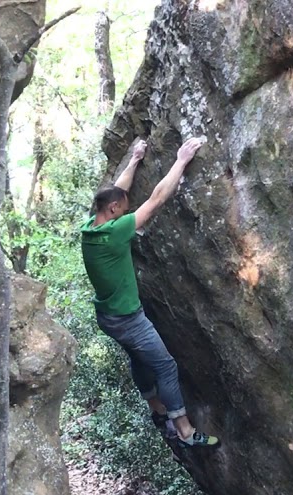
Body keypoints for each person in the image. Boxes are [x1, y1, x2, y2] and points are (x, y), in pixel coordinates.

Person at [80, 136, 219, 448]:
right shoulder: (114, 234)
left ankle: (156, 409)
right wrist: (181, 160)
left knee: (138, 359)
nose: (127, 212)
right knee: (166, 366)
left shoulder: (92, 227)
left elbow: (117, 190)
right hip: (128, 320)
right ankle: (184, 431)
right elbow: (156, 200)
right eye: (124, 209)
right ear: (114, 211)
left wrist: (134, 159)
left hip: (108, 317)